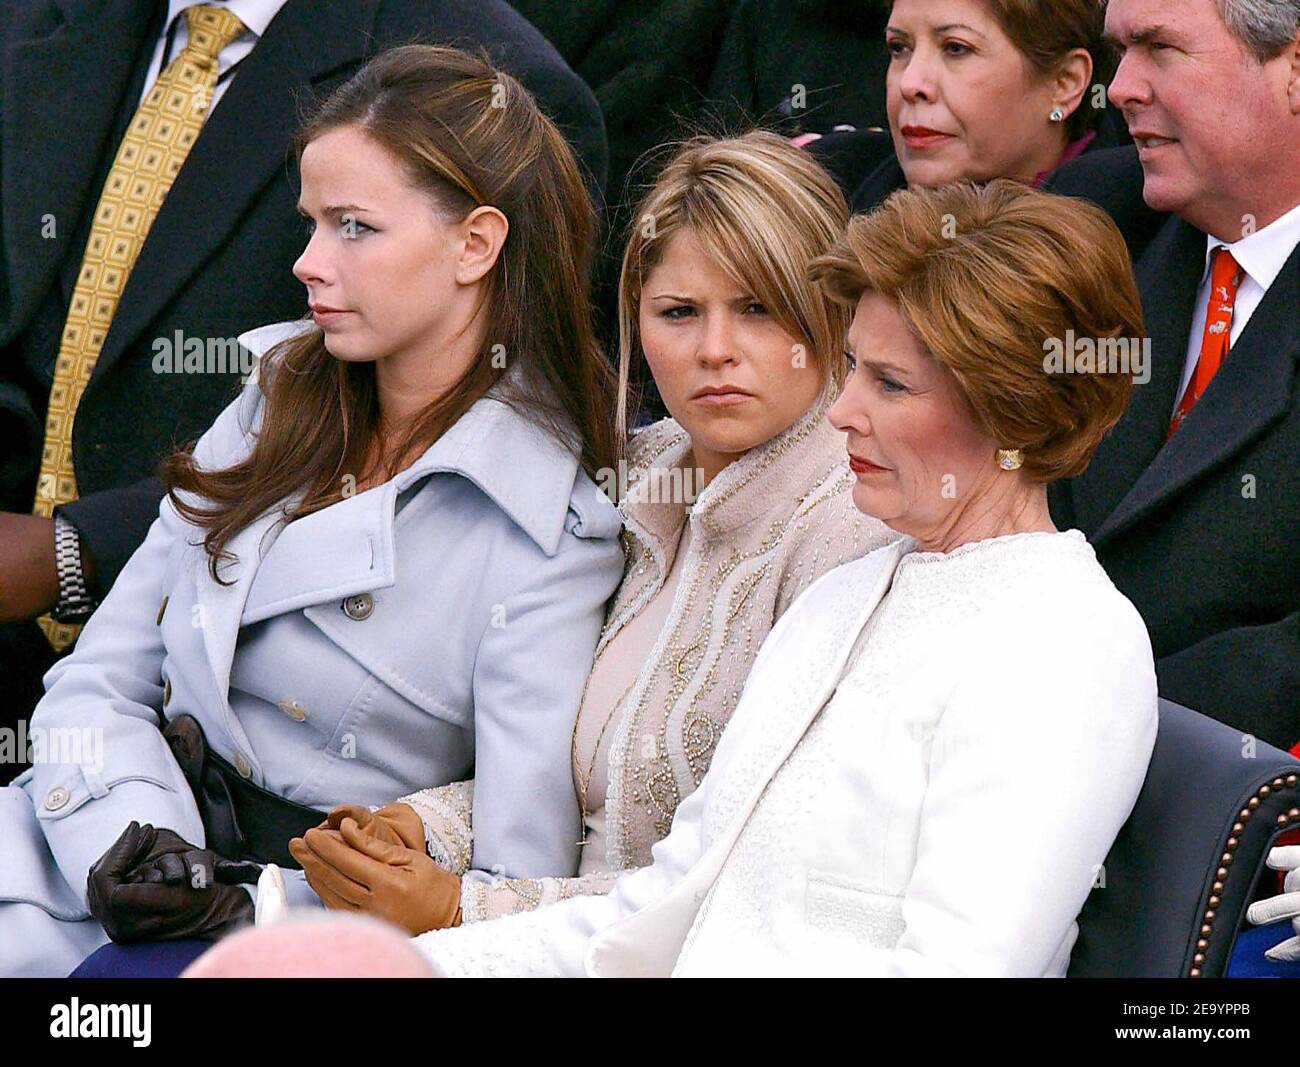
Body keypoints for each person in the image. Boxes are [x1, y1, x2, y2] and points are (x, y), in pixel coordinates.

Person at [378, 180, 1157, 977]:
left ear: (1012, 409)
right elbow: (664, 910)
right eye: (852, 366)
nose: (843, 409)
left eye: (890, 383)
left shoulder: (1067, 640)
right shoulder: (844, 597)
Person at [0, 45, 623, 979]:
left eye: (354, 228)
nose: (307, 262)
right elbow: (100, 678)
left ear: (476, 244)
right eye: (311, 223)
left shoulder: (546, 528)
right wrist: (143, 855)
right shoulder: (274, 392)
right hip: (82, 849)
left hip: (291, 940)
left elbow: (509, 881)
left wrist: (224, 911)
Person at [286, 131, 899, 933]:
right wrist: (418, 828)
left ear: (831, 310)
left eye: (758, 308)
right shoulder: (637, 473)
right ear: (636, 319)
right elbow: (579, 778)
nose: (715, 351)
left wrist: (460, 907)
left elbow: (743, 870)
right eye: (679, 312)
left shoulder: (856, 524)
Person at [1045, 0, 1300, 977]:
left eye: (1159, 50)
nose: (1120, 90)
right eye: (1117, 51)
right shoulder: (1095, 224)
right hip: (1023, 792)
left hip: (1233, 838)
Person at [806, 0, 1123, 215]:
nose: (910, 83)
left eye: (956, 48)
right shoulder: (825, 188)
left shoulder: (1143, 222)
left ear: (1064, 82)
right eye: (899, 48)